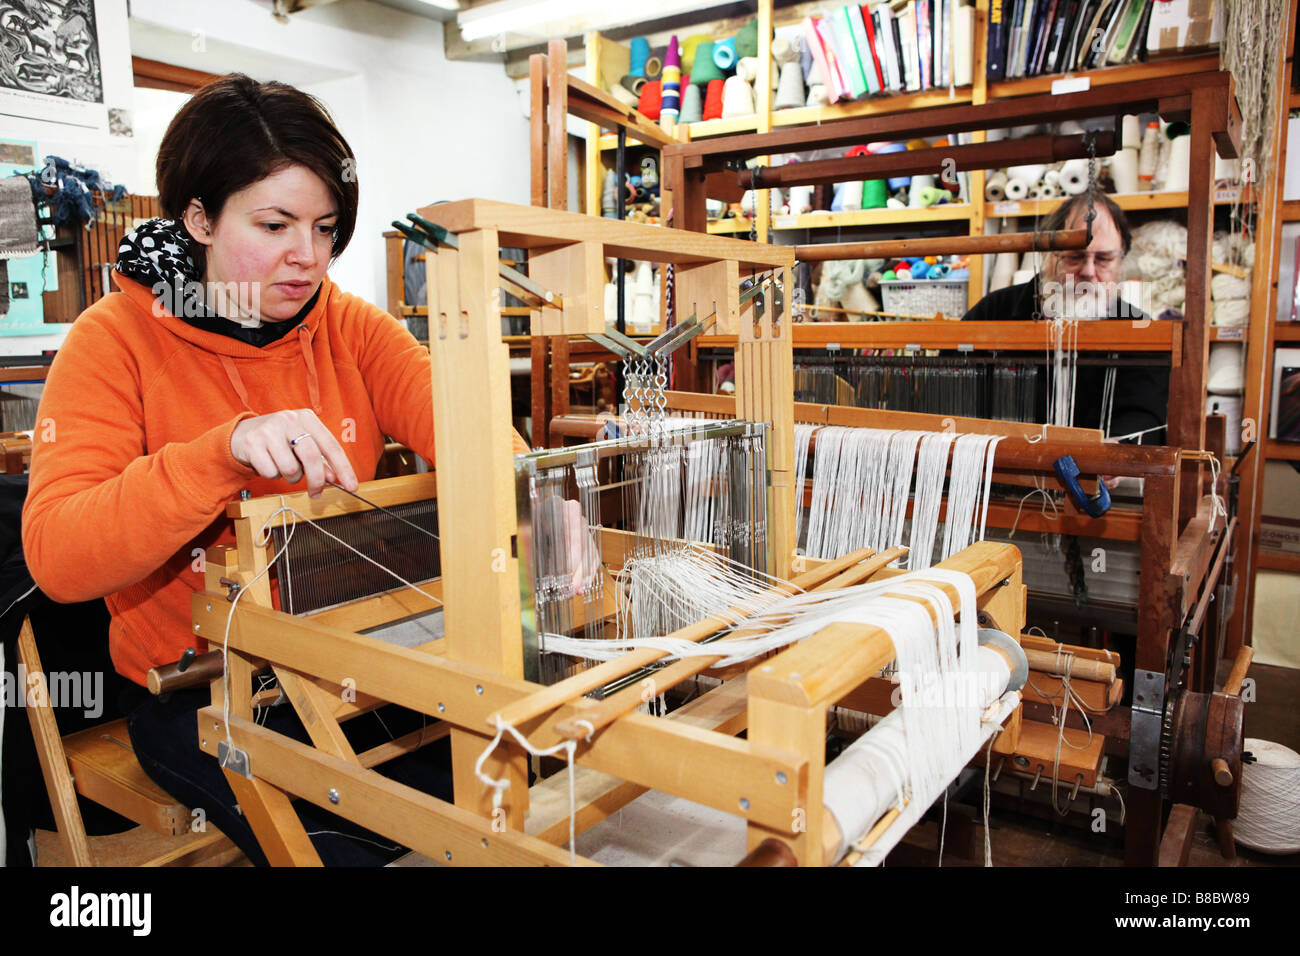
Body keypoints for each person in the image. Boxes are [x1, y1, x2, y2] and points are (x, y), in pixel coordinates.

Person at [21, 74, 528, 865]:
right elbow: (57, 555)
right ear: (197, 217)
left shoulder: (351, 327)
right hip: (204, 694)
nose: (309, 256)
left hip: (356, 666)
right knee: (350, 846)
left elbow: (476, 437)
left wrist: (531, 486)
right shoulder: (113, 339)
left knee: (508, 789)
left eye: (325, 228)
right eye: (276, 223)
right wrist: (220, 452)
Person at [963, 189, 1168, 446]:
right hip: (997, 472)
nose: (1089, 271)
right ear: (1049, 256)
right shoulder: (992, 314)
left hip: (1098, 479)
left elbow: (1146, 413)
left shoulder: (1139, 329)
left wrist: (1117, 450)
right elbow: (953, 399)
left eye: (1103, 259)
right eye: (1075, 257)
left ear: (1121, 261)